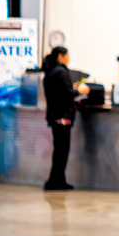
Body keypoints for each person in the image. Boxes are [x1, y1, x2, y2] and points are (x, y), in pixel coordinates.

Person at [41, 46, 88, 192]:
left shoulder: (50, 72)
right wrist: (79, 90)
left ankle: (58, 180)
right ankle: (55, 182)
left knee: (59, 150)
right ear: (61, 56)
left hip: (54, 116)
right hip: (63, 117)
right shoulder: (61, 72)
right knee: (62, 151)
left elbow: (59, 92)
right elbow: (68, 93)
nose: (69, 59)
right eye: (67, 56)